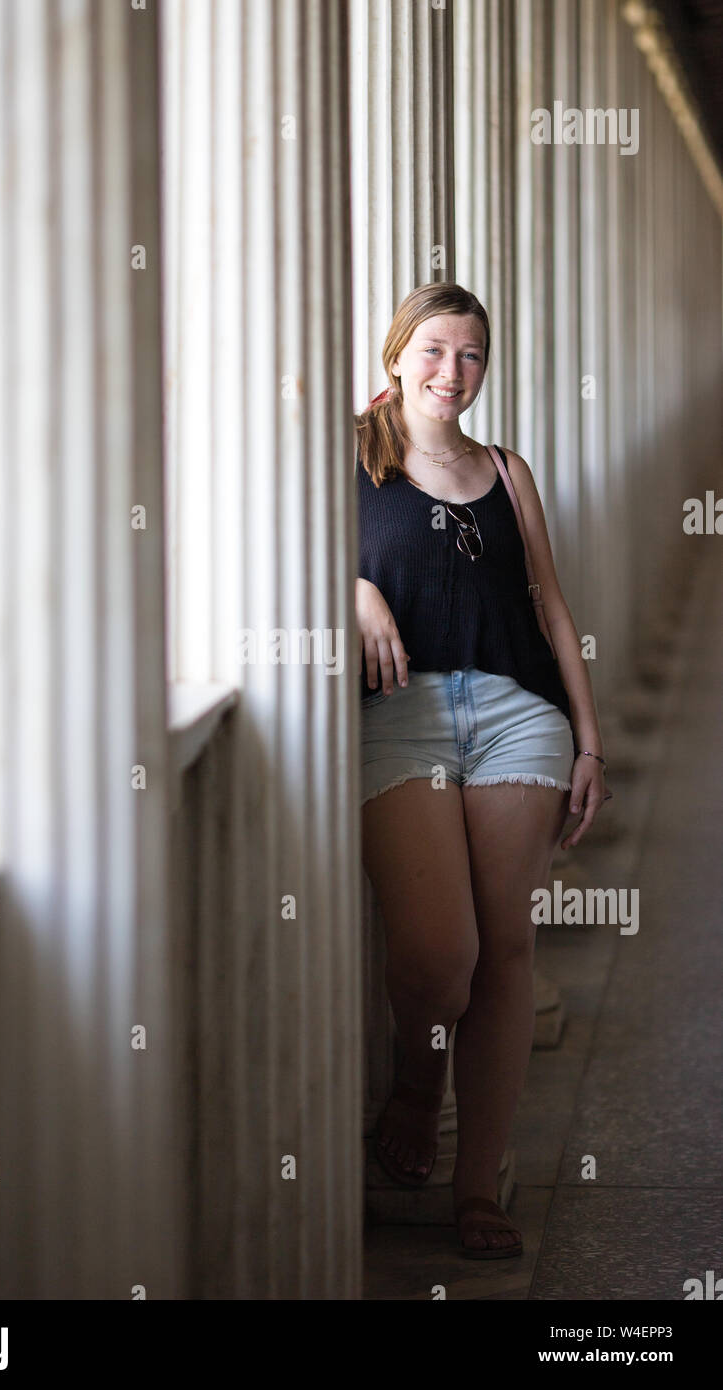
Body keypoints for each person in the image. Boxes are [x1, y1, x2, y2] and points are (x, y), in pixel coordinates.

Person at [356, 281, 611, 1259]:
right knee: (436, 956)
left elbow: (550, 606)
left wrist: (586, 739)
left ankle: (477, 1184)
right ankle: (417, 1090)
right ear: (394, 355)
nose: (448, 373)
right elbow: (291, 563)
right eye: (430, 350)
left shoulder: (506, 471)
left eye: (467, 356)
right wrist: (353, 593)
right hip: (401, 718)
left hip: (518, 715)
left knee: (504, 949)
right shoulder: (352, 457)